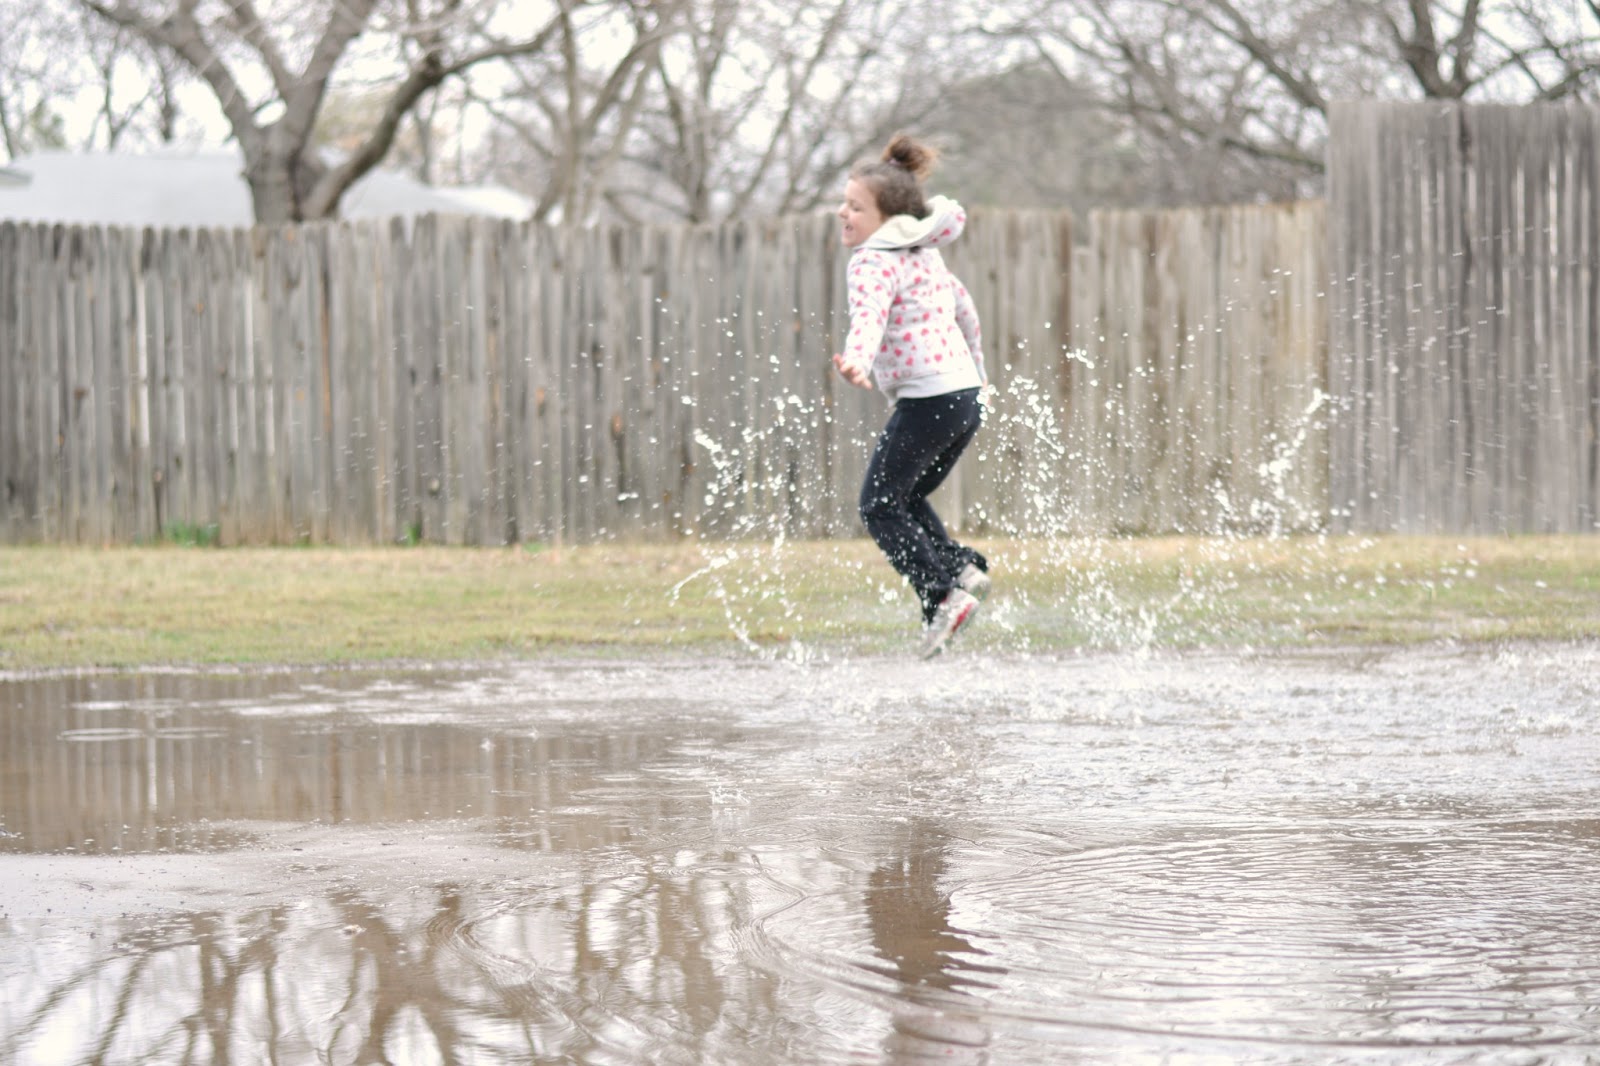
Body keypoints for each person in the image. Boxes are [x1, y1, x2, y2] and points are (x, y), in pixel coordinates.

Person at [832, 134, 991, 659]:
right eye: (845, 203)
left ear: (888, 219)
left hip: (928, 400)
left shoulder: (873, 261)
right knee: (904, 497)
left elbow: (870, 315)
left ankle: (944, 593)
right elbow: (964, 308)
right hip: (961, 398)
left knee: (877, 505)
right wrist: (980, 379)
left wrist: (857, 357)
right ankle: (960, 568)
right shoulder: (924, 254)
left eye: (856, 207)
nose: (843, 213)